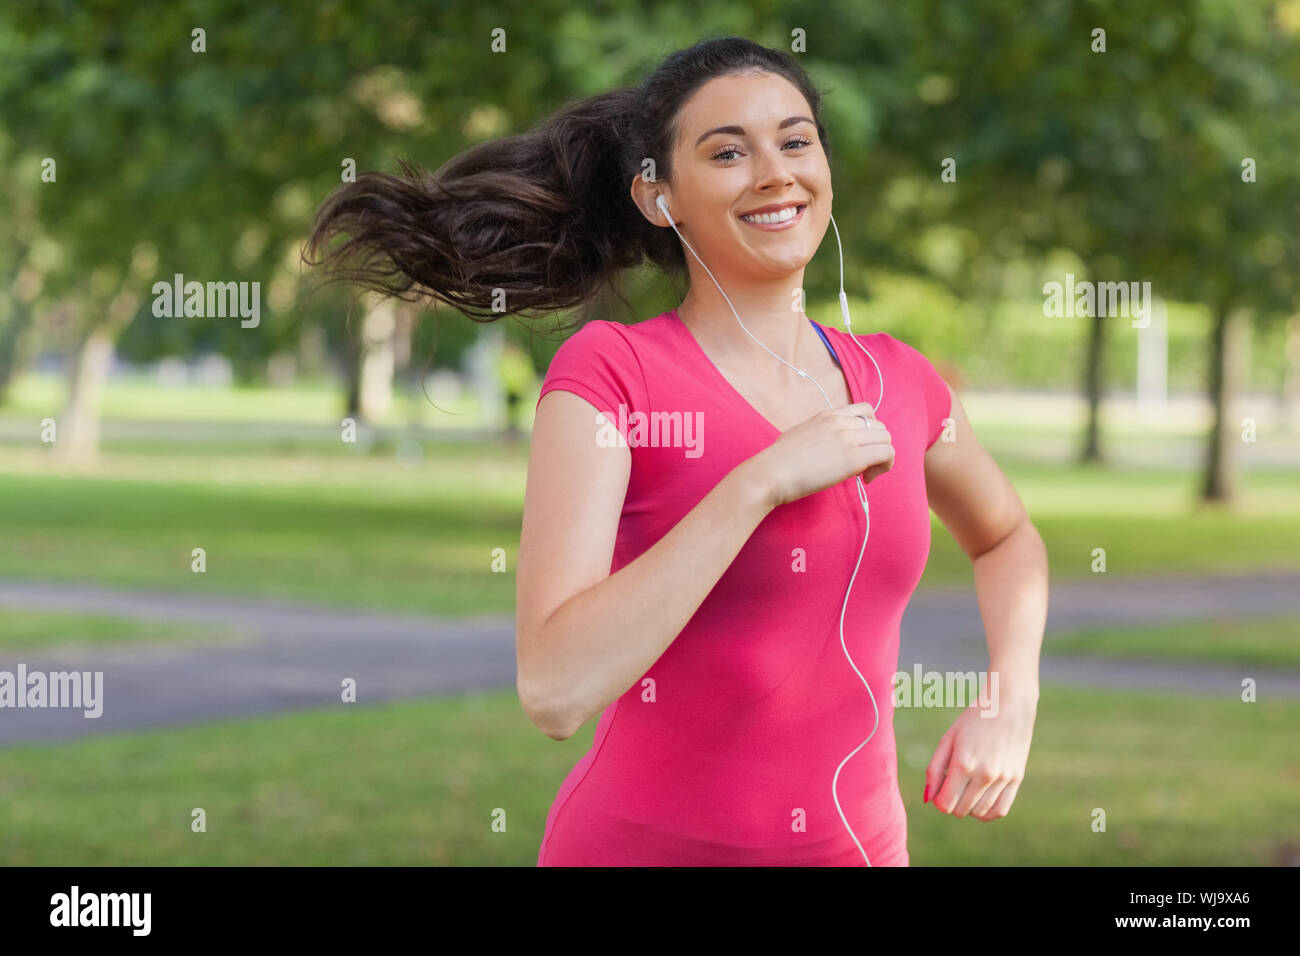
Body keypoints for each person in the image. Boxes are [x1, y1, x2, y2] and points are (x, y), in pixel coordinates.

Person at [306, 36, 1048, 866]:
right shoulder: (614, 373)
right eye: (728, 152)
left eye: (795, 140)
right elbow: (555, 689)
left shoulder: (900, 380)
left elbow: (1008, 538)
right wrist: (758, 484)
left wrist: (1010, 694)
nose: (774, 172)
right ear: (660, 198)